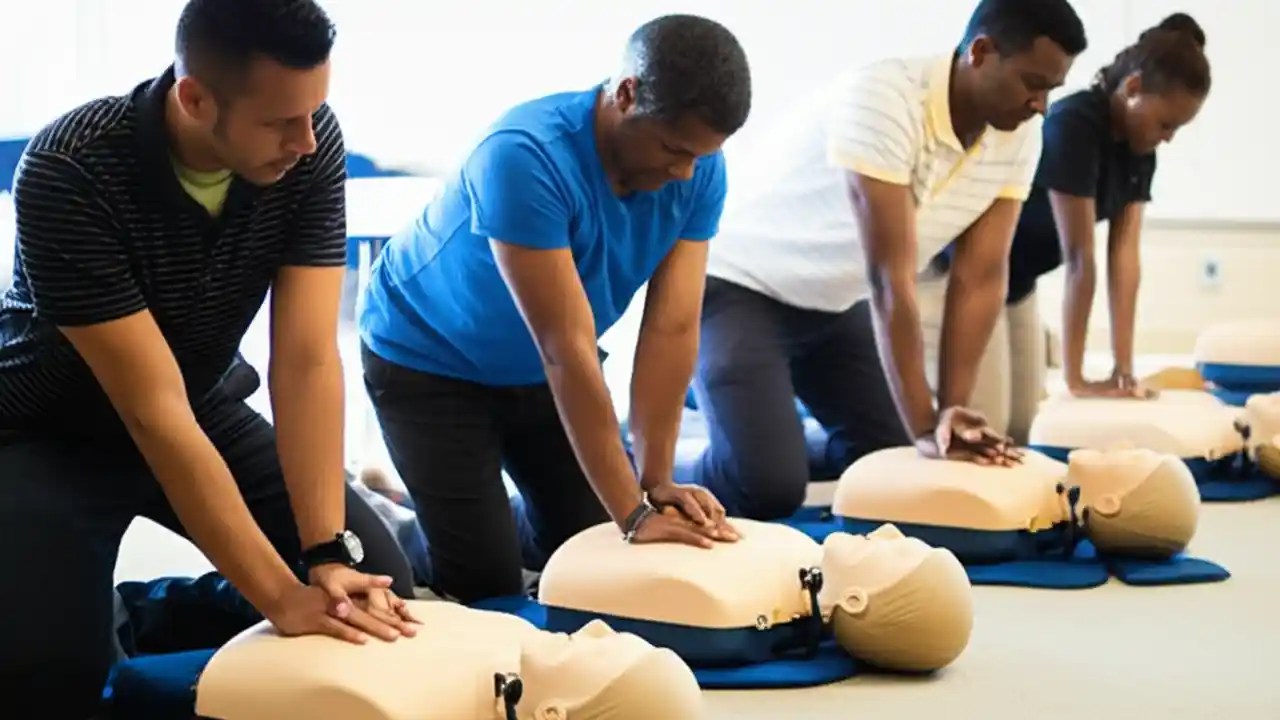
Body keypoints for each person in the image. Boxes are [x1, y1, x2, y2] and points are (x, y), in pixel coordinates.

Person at [0, 1, 416, 713]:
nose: (307, 141)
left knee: (375, 588)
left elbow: (309, 361)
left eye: (313, 113)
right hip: (50, 429)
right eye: (281, 122)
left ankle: (138, 615)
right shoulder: (70, 165)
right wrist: (280, 597)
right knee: (47, 680)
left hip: (195, 397)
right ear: (195, 98)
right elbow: (149, 411)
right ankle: (88, 623)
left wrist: (321, 556)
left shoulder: (307, 144)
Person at [358, 14, 752, 604]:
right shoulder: (524, 154)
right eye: (673, 148)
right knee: (485, 587)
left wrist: (657, 480)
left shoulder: (699, 171)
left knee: (591, 550)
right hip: (428, 361)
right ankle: (393, 524)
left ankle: (442, 506)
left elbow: (672, 327)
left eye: (700, 155)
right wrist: (633, 513)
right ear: (626, 94)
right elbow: (564, 346)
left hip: (538, 371)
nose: (684, 171)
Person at [682, 0, 1087, 520]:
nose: (1042, 106)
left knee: (893, 463)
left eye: (1052, 89)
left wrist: (949, 414)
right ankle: (684, 450)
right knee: (768, 488)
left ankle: (766, 431)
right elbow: (889, 277)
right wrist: (925, 425)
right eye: (1033, 83)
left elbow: (980, 275)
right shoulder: (885, 97)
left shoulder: (1019, 130)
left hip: (834, 302)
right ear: (980, 53)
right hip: (739, 288)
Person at [961, 13, 1210, 438]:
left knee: (1024, 425)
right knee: (989, 425)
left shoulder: (1140, 146)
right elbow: (1081, 259)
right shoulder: (1075, 124)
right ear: (1132, 89)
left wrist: (1123, 371)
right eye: (1166, 123)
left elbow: (1124, 258)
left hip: (1017, 285)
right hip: (969, 276)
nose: (1168, 137)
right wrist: (1076, 379)